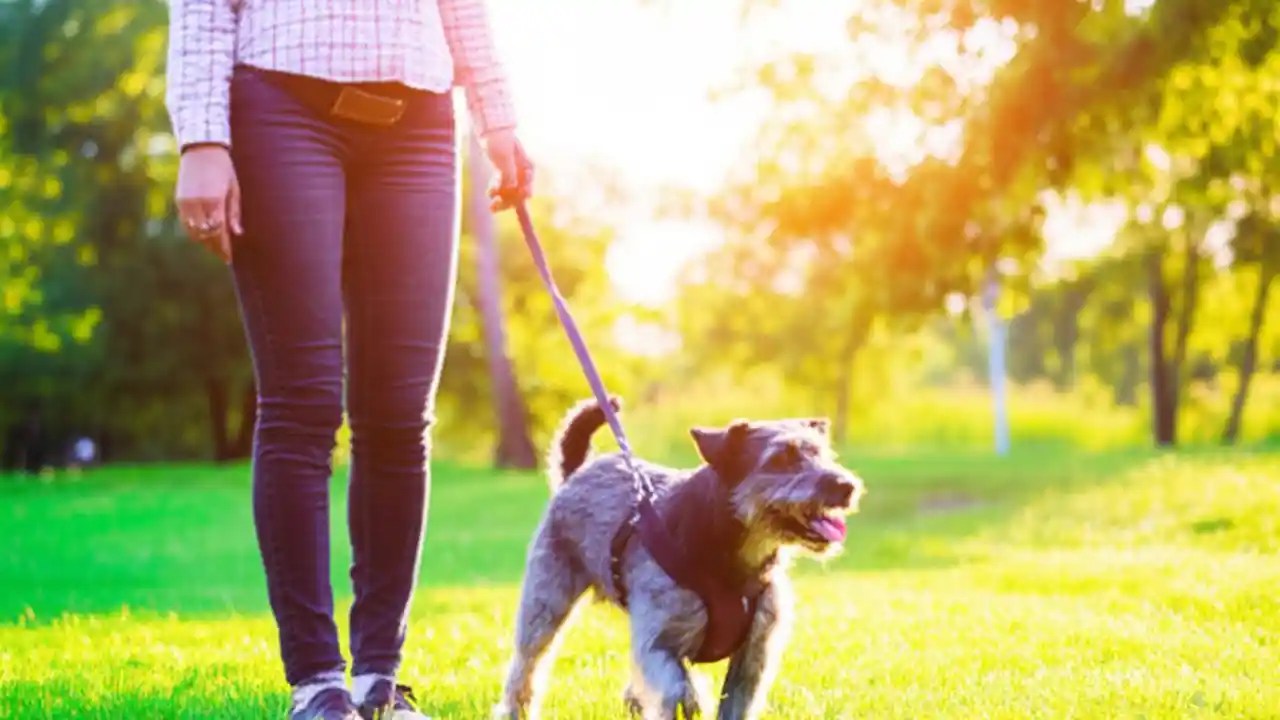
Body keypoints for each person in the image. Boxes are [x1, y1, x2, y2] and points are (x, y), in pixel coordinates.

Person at [164, 3, 533, 719]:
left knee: (398, 415)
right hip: (280, 105)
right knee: (302, 406)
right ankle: (315, 682)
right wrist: (201, 137)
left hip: (419, 121)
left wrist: (499, 118)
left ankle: (377, 679)